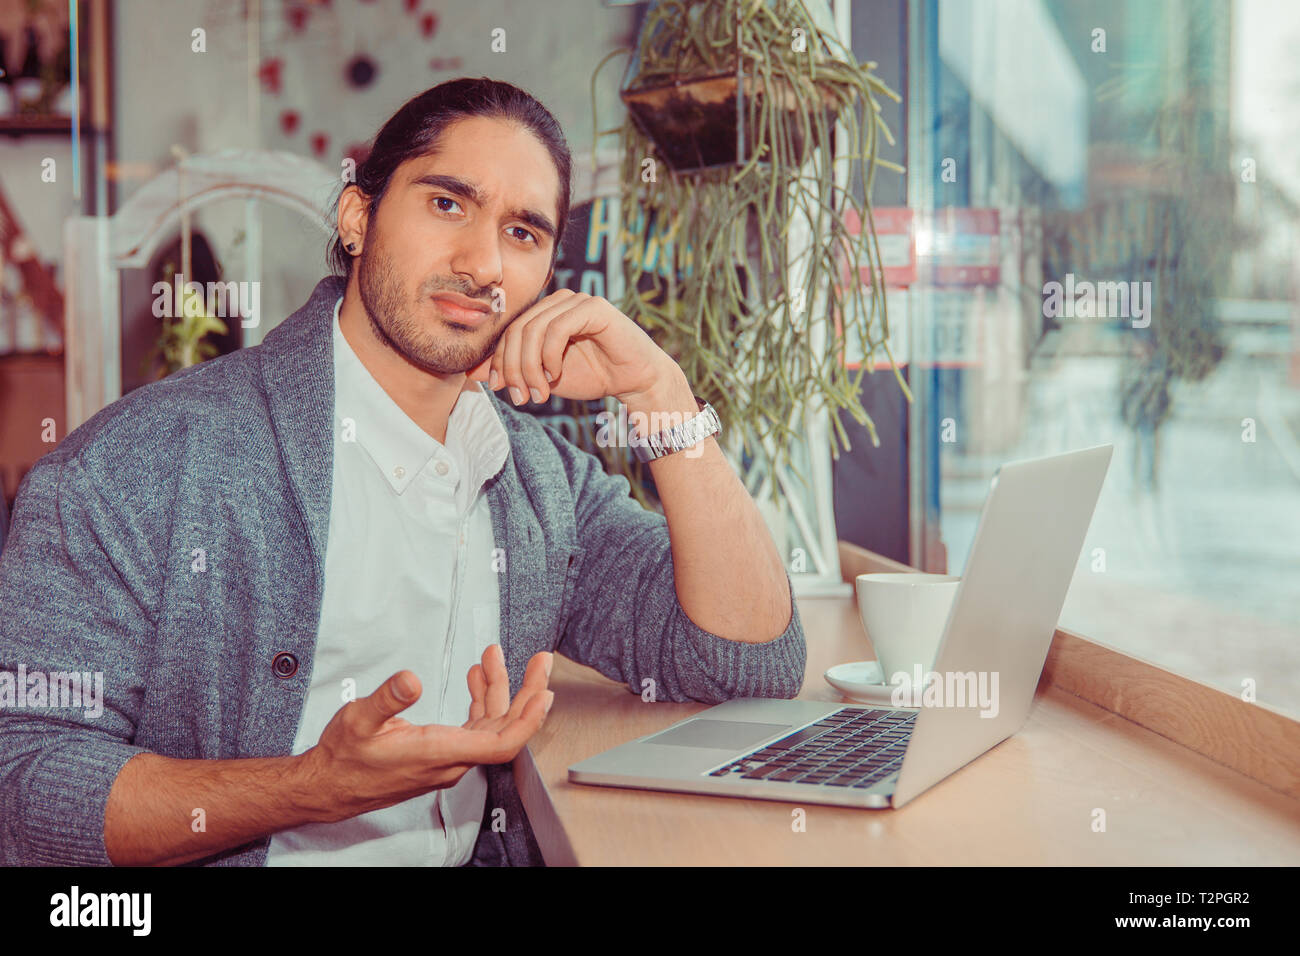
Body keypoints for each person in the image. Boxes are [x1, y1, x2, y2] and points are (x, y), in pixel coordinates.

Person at [0, 78, 806, 867]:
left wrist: (660, 392)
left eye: (523, 233)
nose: (482, 262)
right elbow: (23, 786)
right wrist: (307, 787)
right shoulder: (136, 466)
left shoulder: (538, 482)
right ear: (358, 217)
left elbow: (742, 662)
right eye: (447, 203)